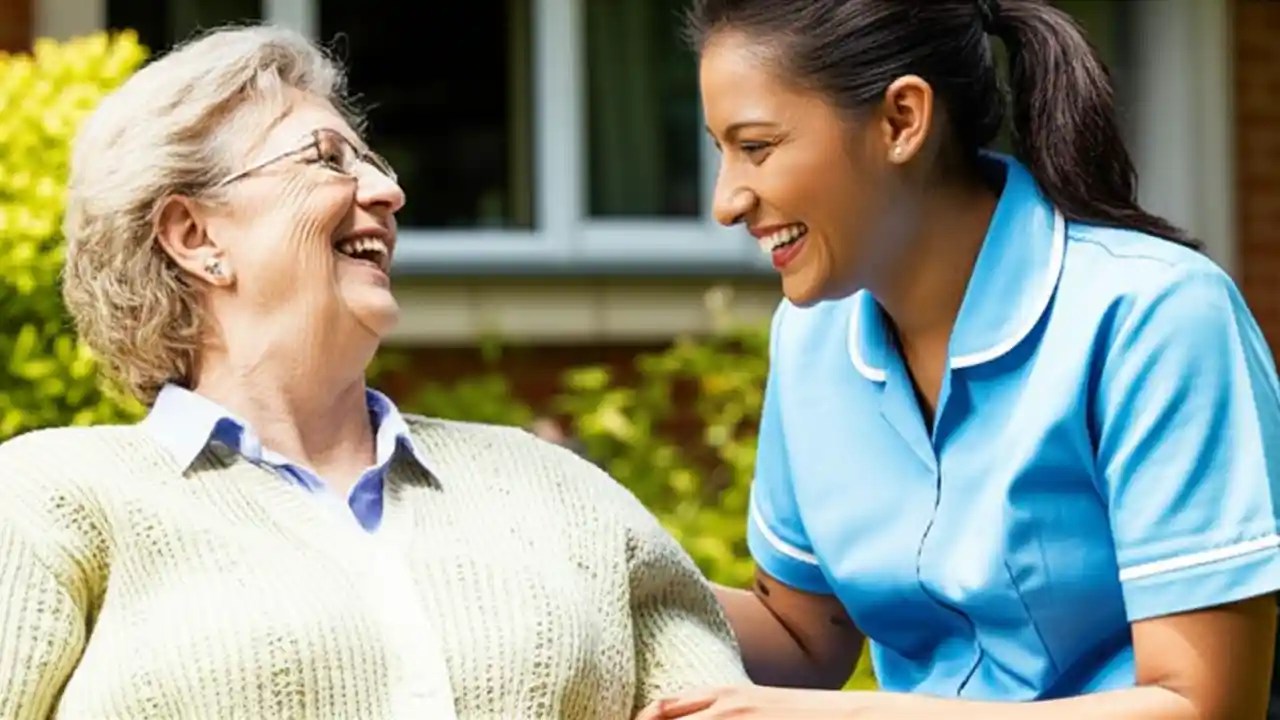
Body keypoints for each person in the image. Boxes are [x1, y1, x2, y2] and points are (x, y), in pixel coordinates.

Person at [0, 24, 748, 719]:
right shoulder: (52, 499)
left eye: (374, 164)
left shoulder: (561, 496)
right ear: (195, 236)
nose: (387, 193)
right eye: (327, 159)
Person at [640, 0, 1280, 718]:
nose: (726, 201)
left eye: (756, 147)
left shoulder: (1155, 318)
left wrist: (842, 717)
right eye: (719, 151)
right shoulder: (811, 339)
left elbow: (1203, 706)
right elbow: (801, 635)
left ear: (901, 120)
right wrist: (604, 564)